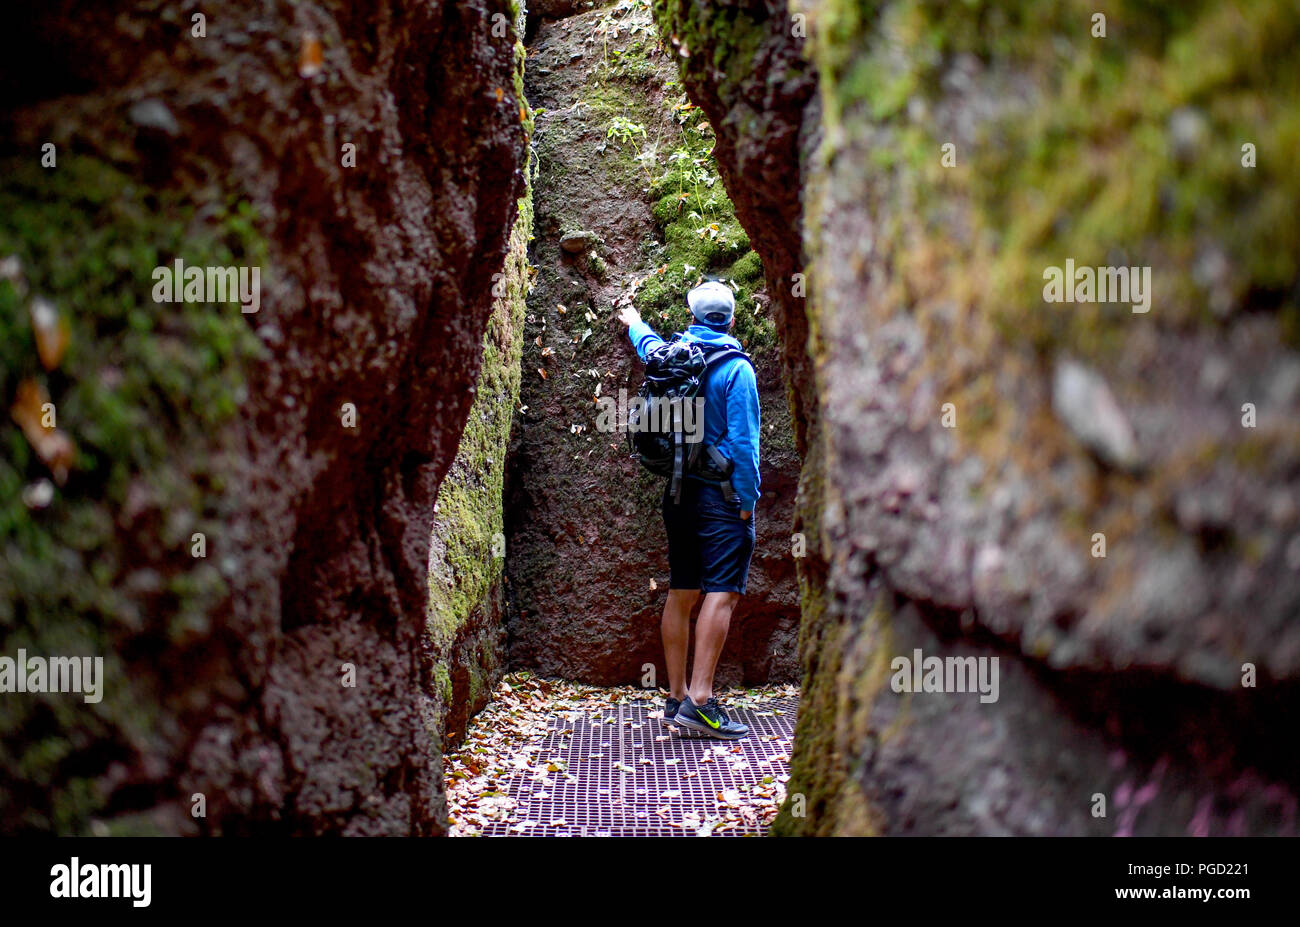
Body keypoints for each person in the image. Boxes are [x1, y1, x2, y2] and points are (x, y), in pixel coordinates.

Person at [617, 281, 759, 740]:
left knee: (682, 590)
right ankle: (700, 701)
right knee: (723, 591)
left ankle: (676, 696)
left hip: (678, 493)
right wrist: (748, 500)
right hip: (721, 499)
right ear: (732, 320)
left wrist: (633, 321)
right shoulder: (738, 371)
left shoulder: (674, 355)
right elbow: (744, 444)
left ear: (691, 316)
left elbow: (648, 346)